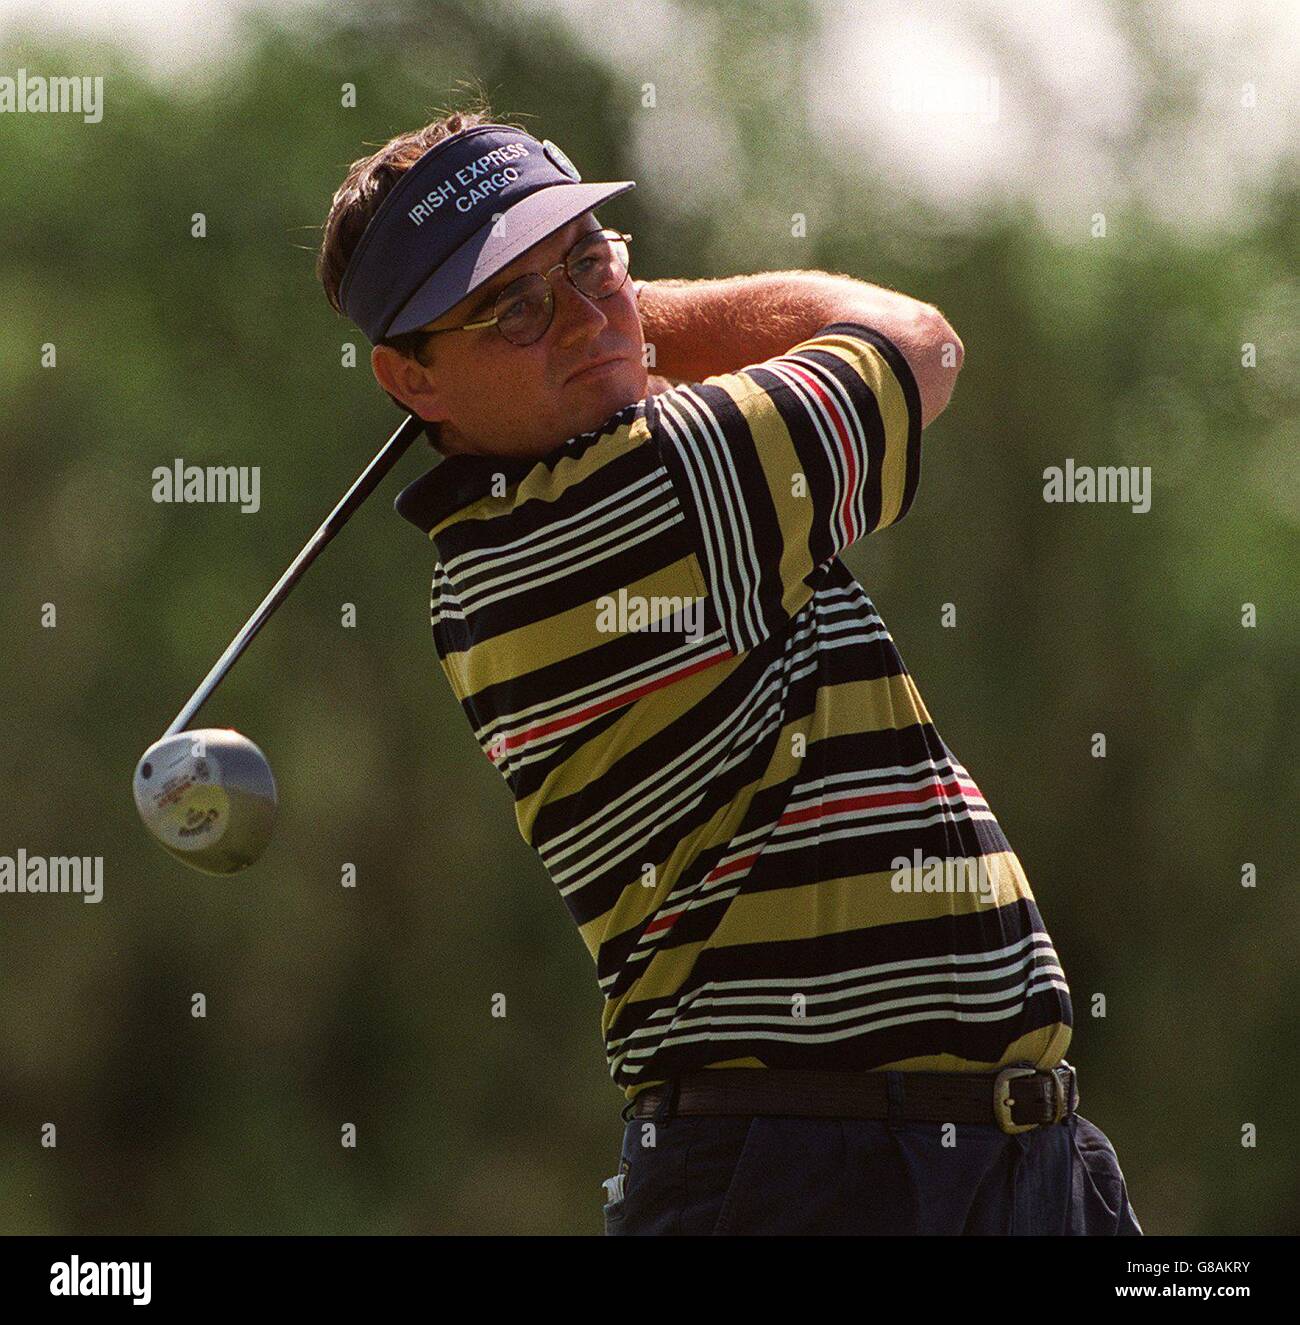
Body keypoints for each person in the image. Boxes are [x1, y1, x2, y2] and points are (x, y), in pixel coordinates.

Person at [316, 104, 1142, 1236]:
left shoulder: (530, 524)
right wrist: (636, 313)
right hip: (817, 1175)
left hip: (988, 1158)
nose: (577, 315)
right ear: (412, 382)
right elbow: (914, 340)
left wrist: (570, 319)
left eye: (591, 260)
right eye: (511, 304)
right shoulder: (645, 496)